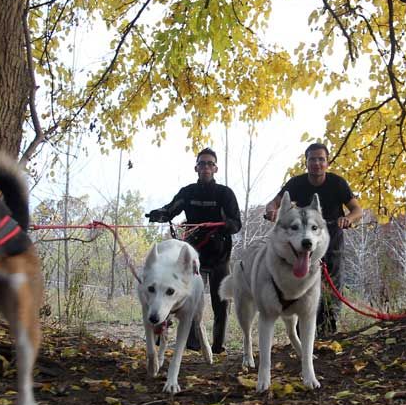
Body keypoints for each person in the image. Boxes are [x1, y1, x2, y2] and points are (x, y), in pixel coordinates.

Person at [146, 148, 241, 353]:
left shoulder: (225, 194)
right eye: (202, 163)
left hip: (219, 257)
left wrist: (223, 226)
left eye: (210, 164)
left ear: (215, 168)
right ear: (196, 167)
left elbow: (237, 224)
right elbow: (171, 209)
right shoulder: (188, 192)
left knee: (221, 302)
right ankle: (191, 344)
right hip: (192, 256)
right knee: (189, 298)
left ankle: (217, 346)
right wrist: (158, 215)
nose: (206, 167)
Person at [264, 142, 362, 337]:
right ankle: (303, 342)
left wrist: (347, 219)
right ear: (306, 162)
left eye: (321, 159)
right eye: (312, 159)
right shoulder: (296, 183)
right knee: (304, 293)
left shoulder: (337, 183)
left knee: (330, 296)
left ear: (327, 162)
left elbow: (357, 210)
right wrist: (272, 211)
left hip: (331, 245)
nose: (316, 163)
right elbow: (273, 203)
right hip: (303, 248)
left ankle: (327, 338)